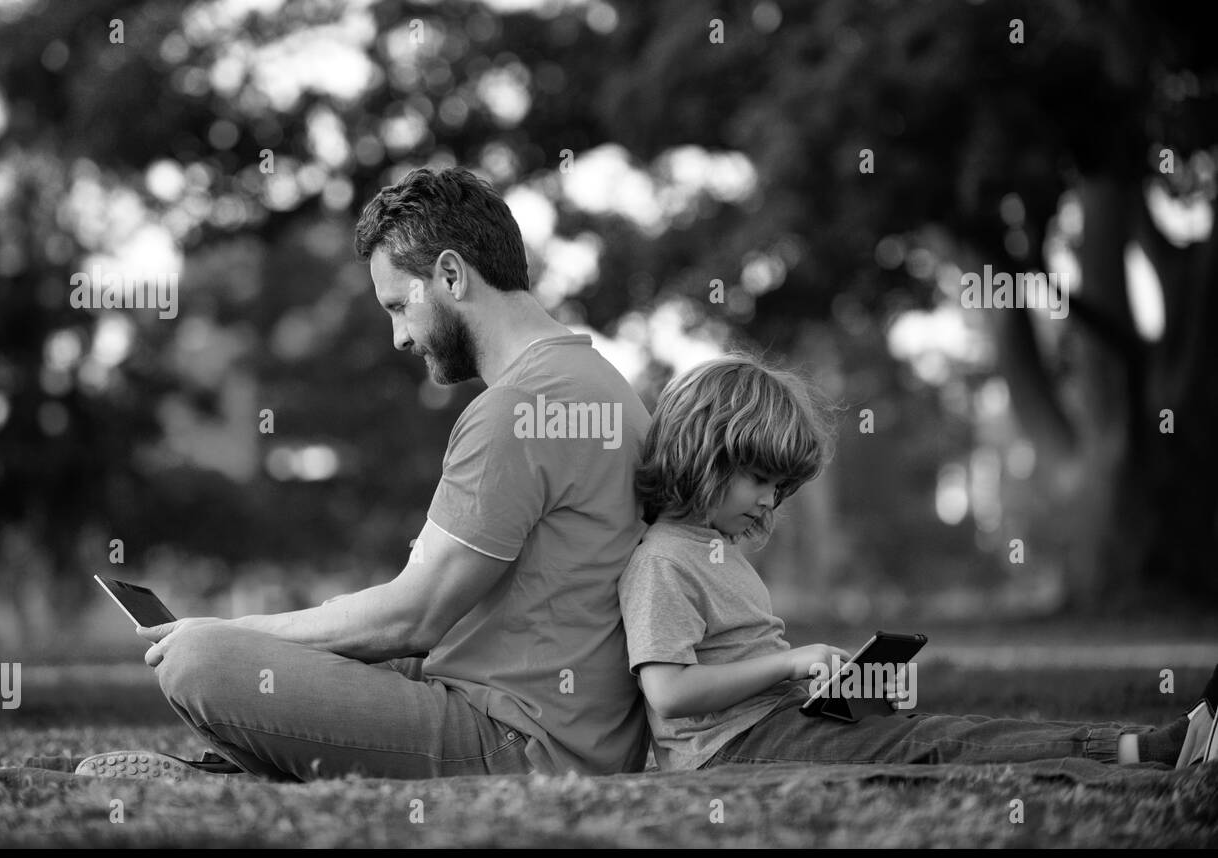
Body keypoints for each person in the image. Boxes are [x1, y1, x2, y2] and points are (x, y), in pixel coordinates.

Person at [77, 166, 652, 782]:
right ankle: (243, 772)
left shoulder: (515, 412)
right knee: (292, 655)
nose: (400, 337)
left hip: (520, 742)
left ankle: (244, 772)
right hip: (564, 726)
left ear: (452, 275)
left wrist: (232, 632)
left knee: (198, 660)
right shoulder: (607, 388)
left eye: (401, 306)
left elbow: (413, 617)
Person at [618, 353, 1218, 773]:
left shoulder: (716, 552)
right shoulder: (663, 562)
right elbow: (669, 693)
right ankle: (1145, 751)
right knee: (937, 745)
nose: (771, 501)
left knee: (939, 732)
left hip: (776, 724)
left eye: (780, 487)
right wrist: (791, 662)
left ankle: (1145, 746)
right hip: (732, 749)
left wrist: (851, 689)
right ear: (705, 454)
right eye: (760, 480)